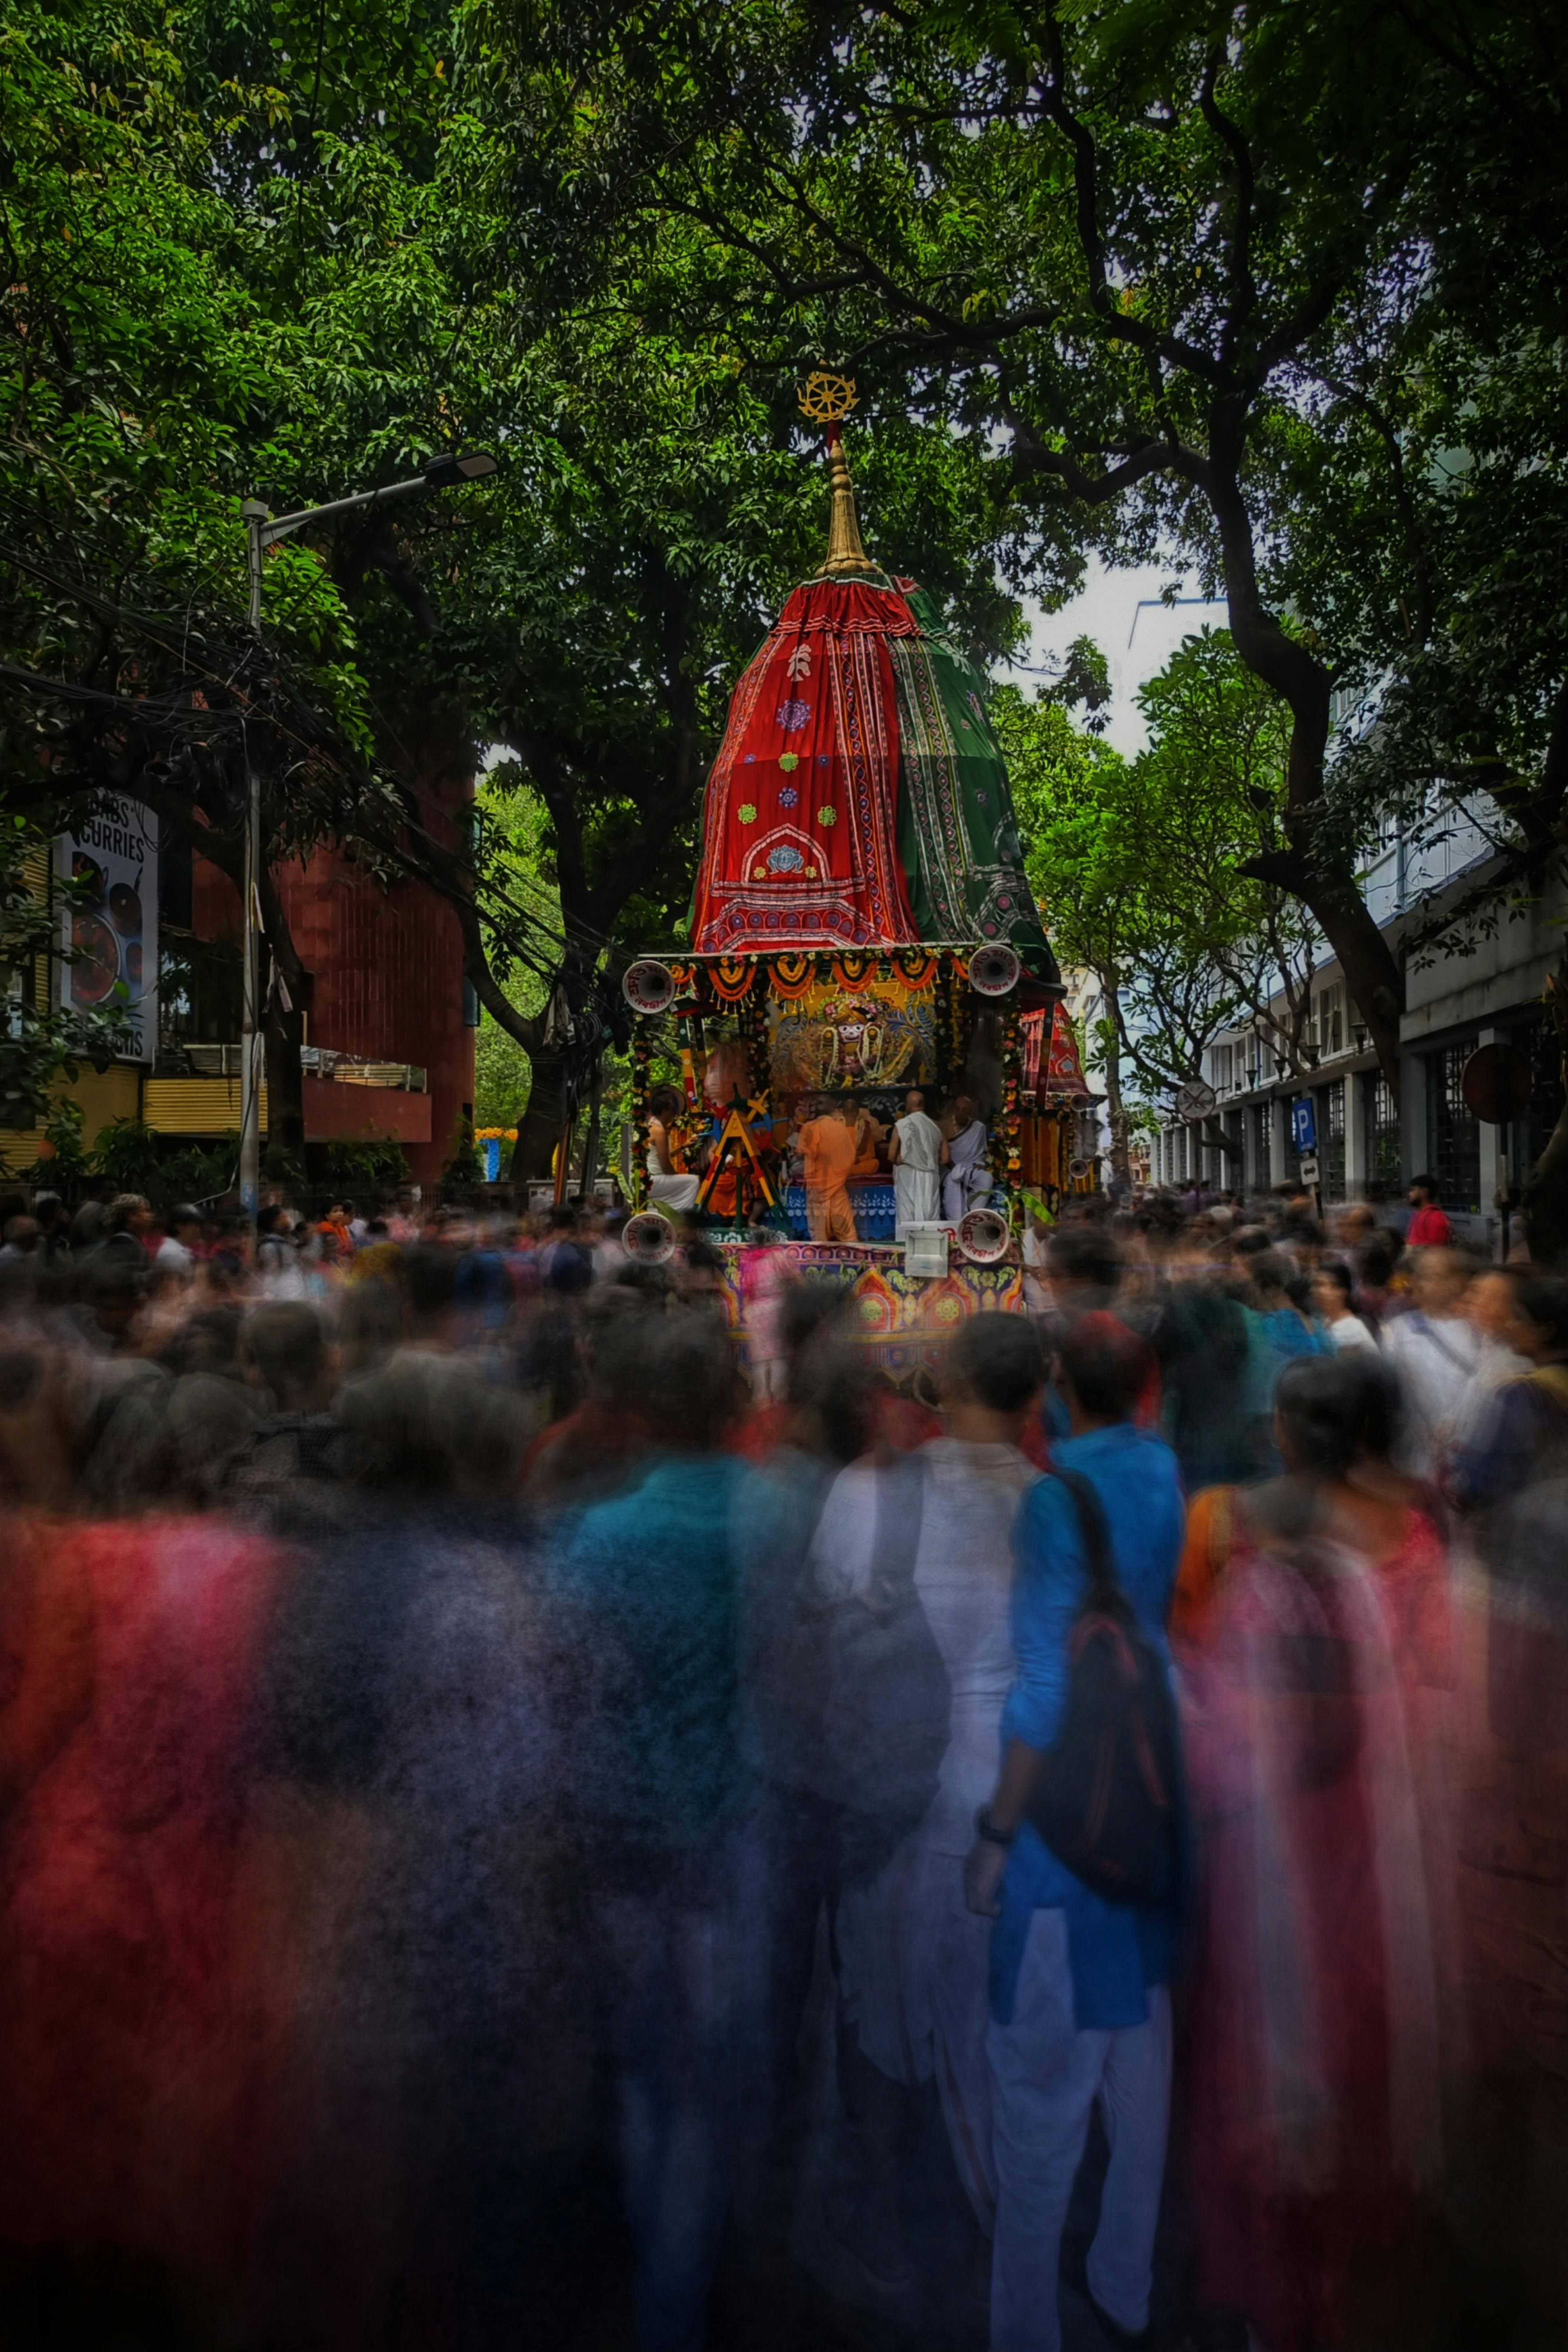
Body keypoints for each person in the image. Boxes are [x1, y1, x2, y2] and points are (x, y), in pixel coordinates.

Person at [1176, 1354, 1444, 2352]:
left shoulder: (1240, 1536)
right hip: (1384, 1854)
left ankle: (1282, 2298)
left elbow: (1213, 1724)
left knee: (1273, 2070)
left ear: (1288, 1435)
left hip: (1271, 1857)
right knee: (1368, 2069)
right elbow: (1438, 1699)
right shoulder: (1415, 1537)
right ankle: (1357, 2290)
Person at [964, 1313, 1186, 2352]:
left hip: (1066, 1819)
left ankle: (1022, 2323)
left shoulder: (1058, 1497)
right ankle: (1125, 2285)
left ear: (1061, 1381)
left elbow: (1041, 1686)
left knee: (1040, 2095)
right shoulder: (1163, 1467)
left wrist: (998, 1829)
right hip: (1150, 1783)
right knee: (1141, 2055)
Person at [811, 1316, 1044, 2278]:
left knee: (884, 2016)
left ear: (941, 1386)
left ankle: (892, 2234)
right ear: (1040, 1393)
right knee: (995, 2033)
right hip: (1009, 1804)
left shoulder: (869, 1491)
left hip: (887, 1793)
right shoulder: (1054, 1507)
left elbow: (824, 1614)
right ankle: (993, 2244)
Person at [1381, 1245, 1480, 1479]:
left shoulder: (1480, 1332)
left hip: (1469, 1458)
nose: (1420, 1283)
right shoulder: (1398, 1330)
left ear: (1460, 1282)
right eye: (1420, 1275)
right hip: (1416, 1459)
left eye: (1433, 1276)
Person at [799, 1095, 858, 1244]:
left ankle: (821, 1265)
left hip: (818, 1188)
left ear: (834, 1104)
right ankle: (857, 1263)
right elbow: (851, 1157)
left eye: (822, 1100)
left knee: (819, 1236)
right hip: (836, 1186)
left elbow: (803, 1153)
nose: (818, 1102)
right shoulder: (840, 1128)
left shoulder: (809, 1128)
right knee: (848, 1235)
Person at [887, 1087, 945, 1240]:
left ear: (908, 1106)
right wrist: (928, 1162)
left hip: (909, 1175)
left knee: (907, 1214)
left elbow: (891, 1156)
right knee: (930, 1214)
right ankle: (931, 1251)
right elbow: (945, 1158)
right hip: (931, 1177)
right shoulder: (937, 1127)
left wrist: (907, 1159)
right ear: (924, 1105)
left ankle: (906, 1251)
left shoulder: (902, 1124)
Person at [646, 1087, 701, 1215]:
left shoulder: (651, 1126)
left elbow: (664, 1155)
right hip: (656, 1180)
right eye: (672, 1109)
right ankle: (682, 1217)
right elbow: (665, 1166)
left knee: (688, 1180)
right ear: (665, 1111)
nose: (675, 1113)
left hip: (652, 1180)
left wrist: (683, 1146)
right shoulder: (659, 1131)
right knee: (695, 1181)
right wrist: (676, 1177)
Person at [942, 1095, 990, 1224]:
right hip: (950, 1169)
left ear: (970, 1112)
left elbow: (981, 1154)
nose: (960, 1113)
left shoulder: (978, 1128)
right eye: (958, 1109)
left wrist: (981, 1164)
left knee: (986, 1178)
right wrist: (954, 1169)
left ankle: (974, 1216)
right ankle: (956, 1222)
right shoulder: (946, 1127)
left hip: (971, 1167)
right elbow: (943, 1156)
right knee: (954, 1181)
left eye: (965, 1110)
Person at [1312, 1257, 1379, 1350]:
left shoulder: (1351, 1331)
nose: (1323, 1291)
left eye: (1333, 1286)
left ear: (1345, 1291)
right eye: (1318, 1284)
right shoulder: (1326, 1320)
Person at [1406, 1173, 1453, 1248]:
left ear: (1425, 1192)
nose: (1410, 1194)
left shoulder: (1435, 1217)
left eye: (1413, 1190)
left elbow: (1436, 1250)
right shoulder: (1419, 1215)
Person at [155, 1204, 202, 1277]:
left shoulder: (180, 1249)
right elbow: (173, 1286)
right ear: (180, 1227)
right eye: (194, 1226)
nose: (198, 1231)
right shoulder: (173, 1254)